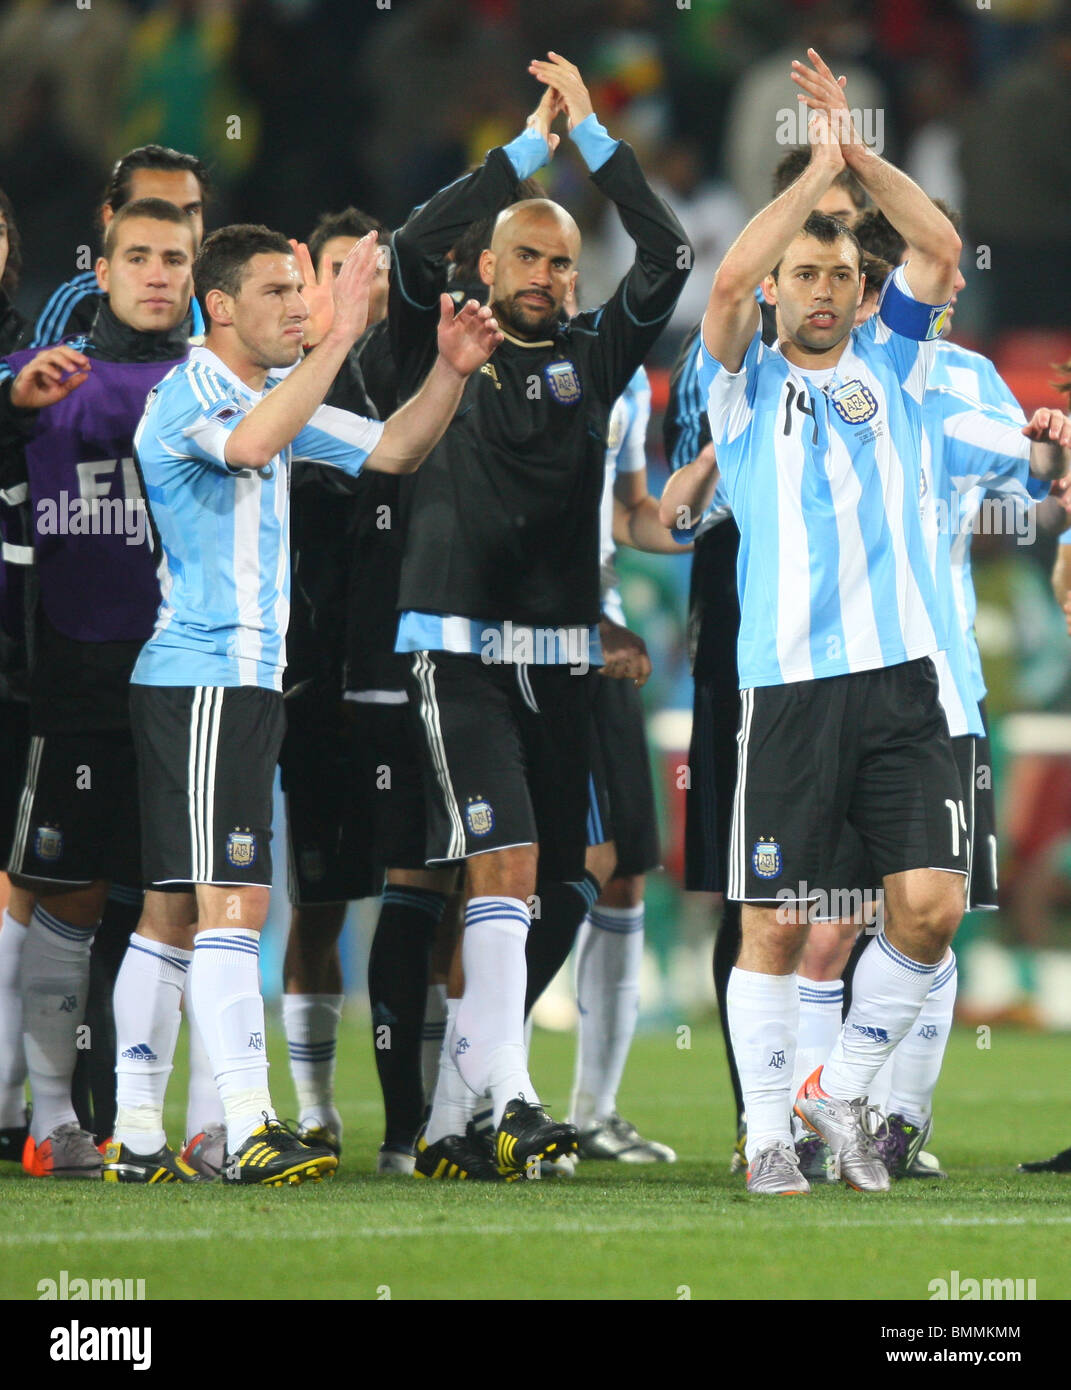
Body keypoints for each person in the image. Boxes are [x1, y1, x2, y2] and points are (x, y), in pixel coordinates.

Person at [123, 222, 501, 1187]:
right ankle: (248, 1122)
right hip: (207, 677)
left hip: (238, 683)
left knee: (174, 914)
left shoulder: (265, 394)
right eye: (280, 290)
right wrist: (336, 338)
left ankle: (135, 1140)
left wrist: (450, 371)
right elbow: (252, 445)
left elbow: (394, 451)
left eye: (306, 289)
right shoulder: (196, 394)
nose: (301, 304)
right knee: (233, 901)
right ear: (221, 306)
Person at [389, 53, 690, 1181]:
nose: (552, 277)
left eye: (565, 263)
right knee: (507, 865)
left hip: (562, 663)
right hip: (456, 656)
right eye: (531, 255)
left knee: (553, 882)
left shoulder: (594, 361)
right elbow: (415, 246)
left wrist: (600, 145)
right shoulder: (438, 342)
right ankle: (511, 1095)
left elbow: (669, 253)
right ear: (488, 262)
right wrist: (529, 150)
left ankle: (451, 1124)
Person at [700, 48, 965, 1196]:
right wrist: (811, 181)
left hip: (903, 679)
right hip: (793, 685)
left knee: (931, 907)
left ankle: (837, 1088)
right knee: (772, 917)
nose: (816, 288)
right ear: (777, 288)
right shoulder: (742, 384)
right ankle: (767, 1132)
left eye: (836, 276)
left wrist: (858, 159)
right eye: (800, 272)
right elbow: (721, 288)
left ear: (863, 295)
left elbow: (942, 251)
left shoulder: (900, 366)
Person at [0, 198, 196, 1179]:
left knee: (179, 901)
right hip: (74, 673)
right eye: (139, 256)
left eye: (175, 258)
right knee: (60, 897)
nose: (157, 274)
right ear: (102, 270)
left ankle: (176, 1121)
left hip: (186, 683)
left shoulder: (217, 383)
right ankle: (49, 1117)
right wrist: (10, 411)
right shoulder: (36, 380)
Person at [25, 145, 209, 349]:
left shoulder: (227, 301)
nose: (175, 225)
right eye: (152, 210)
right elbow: (20, 376)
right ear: (110, 219)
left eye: (190, 212)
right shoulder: (79, 306)